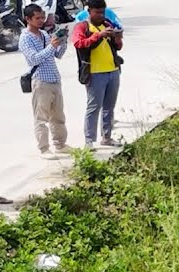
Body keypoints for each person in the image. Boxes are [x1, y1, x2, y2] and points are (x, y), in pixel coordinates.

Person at [19, 3, 70, 159]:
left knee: (58, 115)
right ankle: (44, 149)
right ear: (28, 19)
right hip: (41, 80)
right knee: (41, 117)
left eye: (43, 17)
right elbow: (34, 59)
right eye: (37, 18)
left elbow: (57, 55)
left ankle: (60, 144)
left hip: (54, 78)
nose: (41, 20)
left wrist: (62, 41)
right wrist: (51, 47)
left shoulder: (44, 34)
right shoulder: (25, 37)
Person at [72, 0, 123, 150]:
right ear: (89, 11)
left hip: (113, 70)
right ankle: (89, 141)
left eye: (102, 12)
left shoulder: (107, 23)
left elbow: (117, 47)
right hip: (95, 73)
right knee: (94, 107)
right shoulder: (82, 26)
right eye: (97, 12)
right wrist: (99, 35)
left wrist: (117, 38)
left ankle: (107, 137)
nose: (100, 15)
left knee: (109, 106)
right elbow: (79, 44)